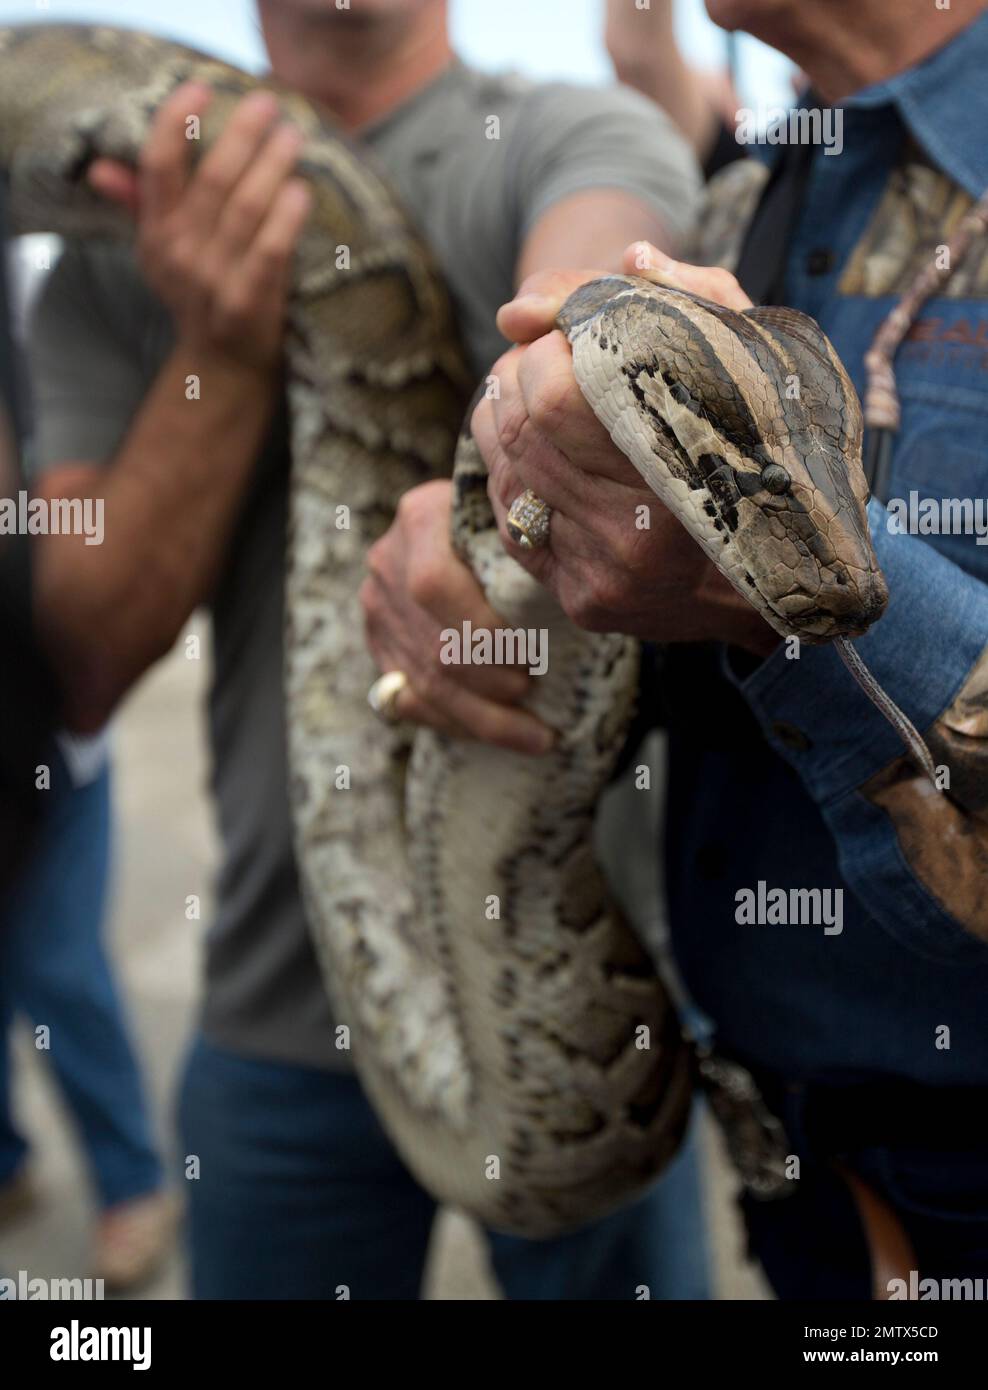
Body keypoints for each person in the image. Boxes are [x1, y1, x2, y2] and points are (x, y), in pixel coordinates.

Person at [27, 0, 709, 1298]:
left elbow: (591, 296)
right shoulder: (110, 259)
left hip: (593, 1011)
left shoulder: (556, 133)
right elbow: (86, 657)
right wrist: (223, 348)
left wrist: (546, 391)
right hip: (271, 1028)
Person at [364, 0, 988, 1298]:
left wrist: (775, 584)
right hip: (800, 1189)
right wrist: (498, 528)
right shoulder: (765, 187)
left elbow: (802, 568)